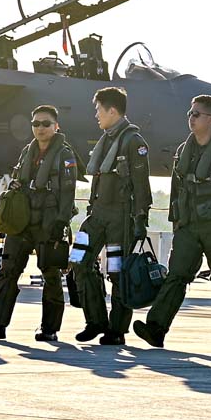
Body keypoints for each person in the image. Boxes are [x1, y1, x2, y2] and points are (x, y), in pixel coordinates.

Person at [133, 95, 211, 349]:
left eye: (197, 114)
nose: (191, 118)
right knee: (177, 275)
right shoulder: (183, 151)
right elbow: (177, 189)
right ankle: (156, 328)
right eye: (190, 113)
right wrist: (176, 221)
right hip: (188, 227)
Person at [0, 105, 79, 342]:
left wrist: (61, 222)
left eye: (46, 124)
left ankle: (49, 328)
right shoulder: (26, 152)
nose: (40, 128)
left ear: (56, 126)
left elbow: (68, 192)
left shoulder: (65, 155)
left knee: (50, 274)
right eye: (36, 124)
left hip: (48, 222)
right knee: (8, 271)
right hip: (22, 222)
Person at [72, 86, 152, 345]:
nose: (96, 115)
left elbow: (142, 185)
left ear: (113, 111)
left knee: (118, 272)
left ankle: (116, 330)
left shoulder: (133, 141)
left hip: (120, 217)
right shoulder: (106, 139)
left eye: (98, 110)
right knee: (79, 260)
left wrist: (141, 219)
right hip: (97, 214)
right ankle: (95, 321)